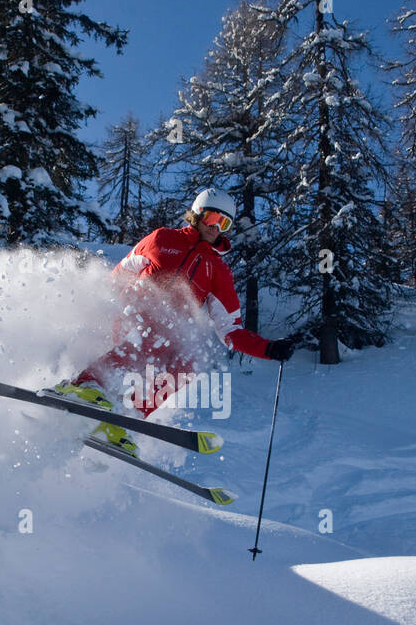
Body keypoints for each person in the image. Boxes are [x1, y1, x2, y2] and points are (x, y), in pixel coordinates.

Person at [53, 187, 295, 456]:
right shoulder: (161, 238)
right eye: (213, 218)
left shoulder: (218, 271)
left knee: (189, 363)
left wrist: (269, 349)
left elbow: (230, 330)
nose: (216, 227)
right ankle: (84, 385)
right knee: (150, 334)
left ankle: (124, 416)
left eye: (224, 223)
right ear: (197, 214)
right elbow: (121, 272)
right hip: (134, 312)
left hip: (166, 332)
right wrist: (102, 306)